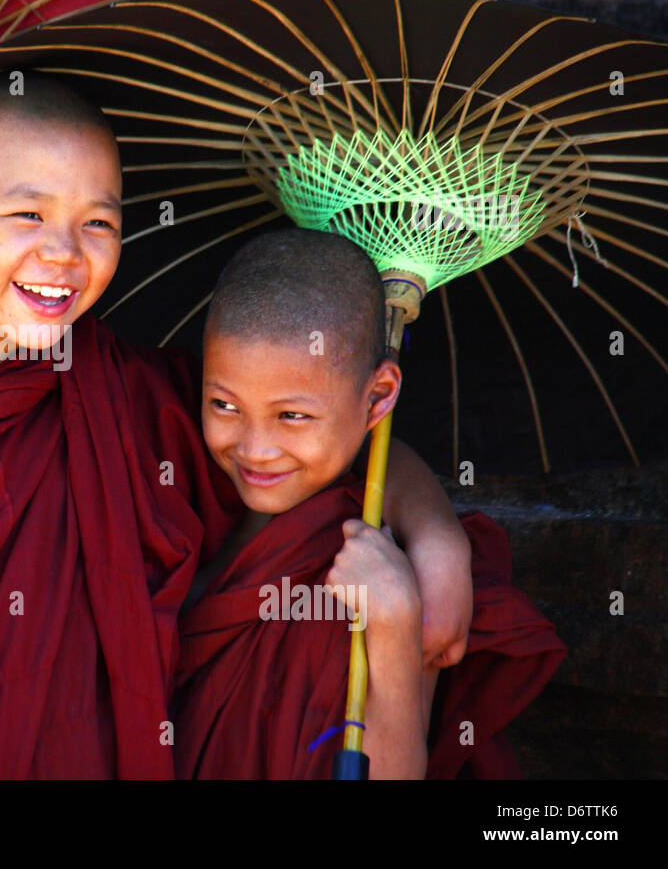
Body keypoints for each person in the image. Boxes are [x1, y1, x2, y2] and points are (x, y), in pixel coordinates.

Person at [0, 72, 472, 779]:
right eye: (28, 214)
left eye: (98, 222)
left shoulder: (130, 400)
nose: (64, 253)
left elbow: (314, 444)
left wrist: (436, 533)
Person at [171, 229, 565, 778]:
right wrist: (437, 529)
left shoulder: (387, 566)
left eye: (292, 416)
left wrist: (398, 623)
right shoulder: (185, 502)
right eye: (224, 404)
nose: (253, 449)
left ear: (378, 396)